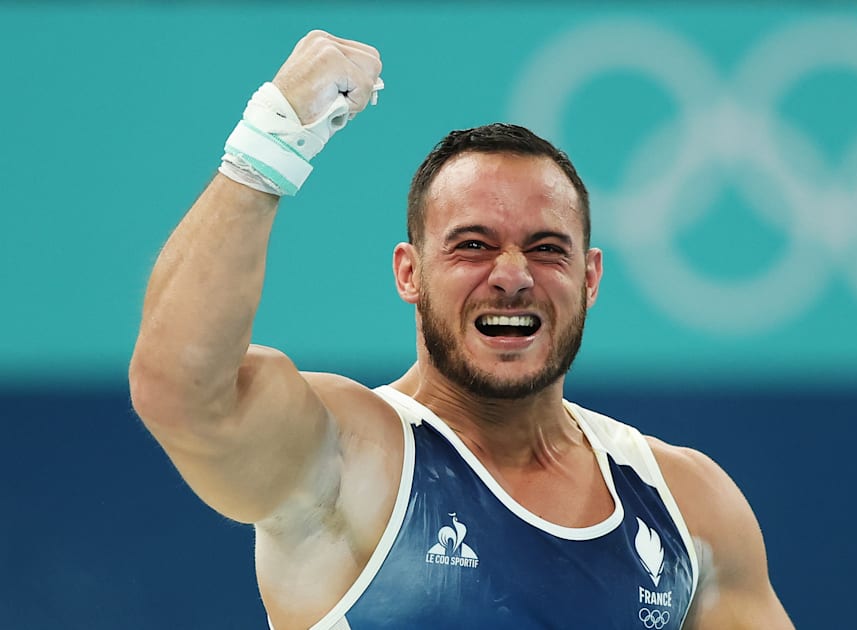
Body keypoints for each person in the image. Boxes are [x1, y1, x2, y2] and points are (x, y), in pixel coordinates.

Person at [129, 30, 792, 630]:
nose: (512, 275)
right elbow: (183, 394)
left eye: (546, 249)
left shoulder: (687, 505)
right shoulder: (347, 460)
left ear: (590, 279)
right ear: (409, 273)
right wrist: (268, 142)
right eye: (473, 245)